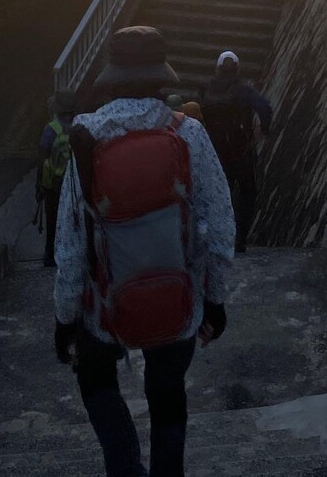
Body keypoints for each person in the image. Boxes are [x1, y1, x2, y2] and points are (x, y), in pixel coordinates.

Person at [53, 26, 234, 477]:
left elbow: (71, 245)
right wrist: (215, 301)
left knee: (95, 377)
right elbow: (220, 228)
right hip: (180, 301)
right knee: (168, 390)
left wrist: (64, 320)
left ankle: (124, 467)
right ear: (161, 77)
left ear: (111, 77)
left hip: (105, 311)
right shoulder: (188, 133)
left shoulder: (85, 136)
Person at [199, 51, 273, 255]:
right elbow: (265, 108)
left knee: (222, 196)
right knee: (248, 193)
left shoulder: (205, 89)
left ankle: (220, 239)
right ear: (237, 69)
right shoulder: (244, 89)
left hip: (216, 155)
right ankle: (239, 241)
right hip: (242, 153)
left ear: (218, 68)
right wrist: (263, 131)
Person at [36, 89, 75, 268]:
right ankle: (71, 253)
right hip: (74, 183)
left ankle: (50, 256)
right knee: (72, 220)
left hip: (54, 184)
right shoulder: (79, 125)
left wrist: (39, 186)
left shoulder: (51, 129)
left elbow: (43, 158)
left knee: (52, 220)